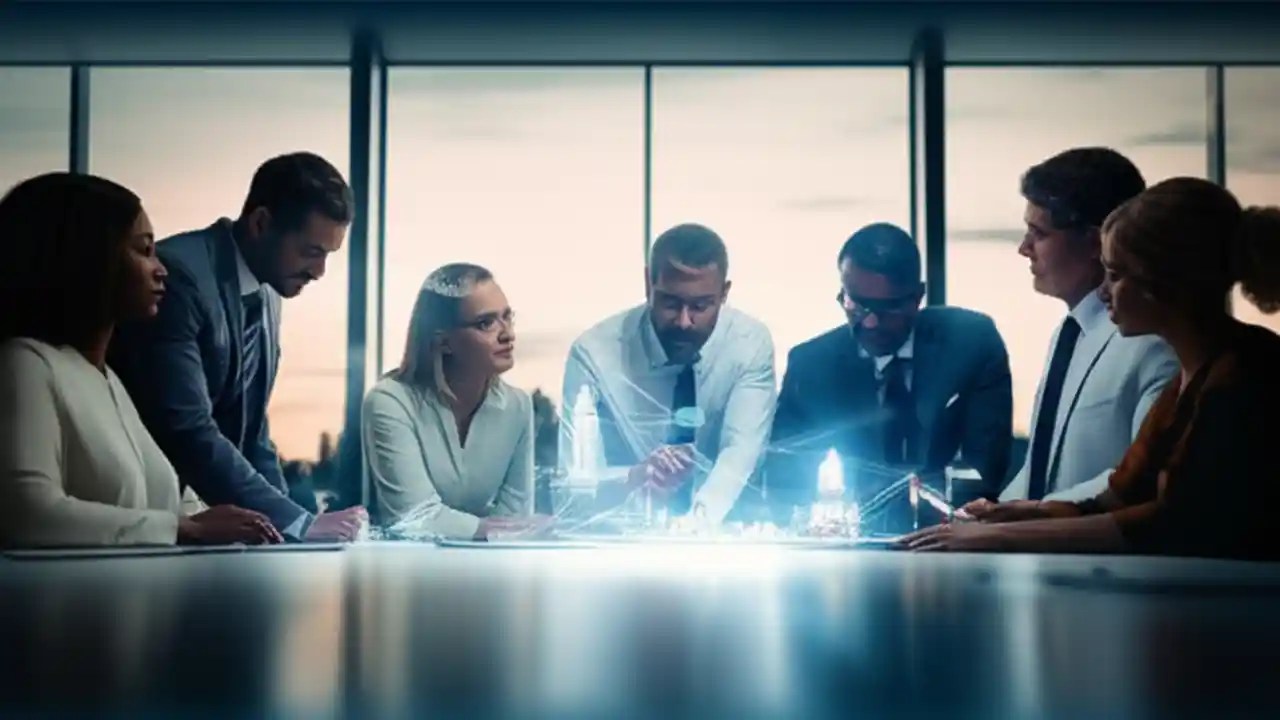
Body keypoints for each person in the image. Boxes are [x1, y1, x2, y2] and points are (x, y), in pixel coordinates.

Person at [903, 178, 1280, 560]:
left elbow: (1173, 524)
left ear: (1162, 284)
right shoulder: (1194, 376)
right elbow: (1121, 494)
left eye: (1115, 276)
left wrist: (1003, 537)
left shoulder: (1245, 377)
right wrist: (1027, 513)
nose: (1102, 292)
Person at [0, 172, 281, 547]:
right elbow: (27, 513)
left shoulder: (109, 380)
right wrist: (186, 528)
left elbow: (179, 510)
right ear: (87, 258)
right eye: (144, 250)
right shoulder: (26, 365)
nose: (161, 268)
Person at [108, 152, 366, 541]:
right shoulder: (181, 278)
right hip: (140, 520)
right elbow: (187, 428)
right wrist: (296, 524)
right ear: (262, 223)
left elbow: (252, 431)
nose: (319, 272)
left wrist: (294, 525)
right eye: (312, 252)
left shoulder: (268, 287)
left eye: (328, 256)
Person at [767, 223, 1012, 528]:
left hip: (957, 532)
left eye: (887, 309)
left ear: (918, 297)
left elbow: (985, 465)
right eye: (856, 304)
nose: (869, 323)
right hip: (856, 537)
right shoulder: (812, 364)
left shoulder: (970, 344)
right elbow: (784, 476)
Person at [991, 148, 1177, 507]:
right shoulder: (1067, 334)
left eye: (1038, 233)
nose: (1023, 249)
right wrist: (988, 514)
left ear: (1096, 243)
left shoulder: (1152, 342)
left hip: (1105, 558)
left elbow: (1141, 478)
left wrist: (1027, 517)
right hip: (1047, 552)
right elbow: (1040, 472)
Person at [557, 223, 776, 525]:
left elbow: (741, 450)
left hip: (722, 537)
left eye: (701, 305)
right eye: (671, 303)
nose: (684, 322)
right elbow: (576, 479)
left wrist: (697, 522)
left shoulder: (748, 344)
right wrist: (631, 480)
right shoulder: (593, 353)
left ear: (724, 293)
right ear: (648, 284)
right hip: (622, 532)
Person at [362, 264, 545, 540]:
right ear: (444, 342)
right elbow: (411, 516)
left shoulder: (518, 406)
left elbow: (514, 517)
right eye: (486, 323)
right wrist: (490, 529)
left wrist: (504, 530)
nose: (507, 334)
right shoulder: (389, 401)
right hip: (401, 568)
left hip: (487, 568)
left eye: (508, 318)